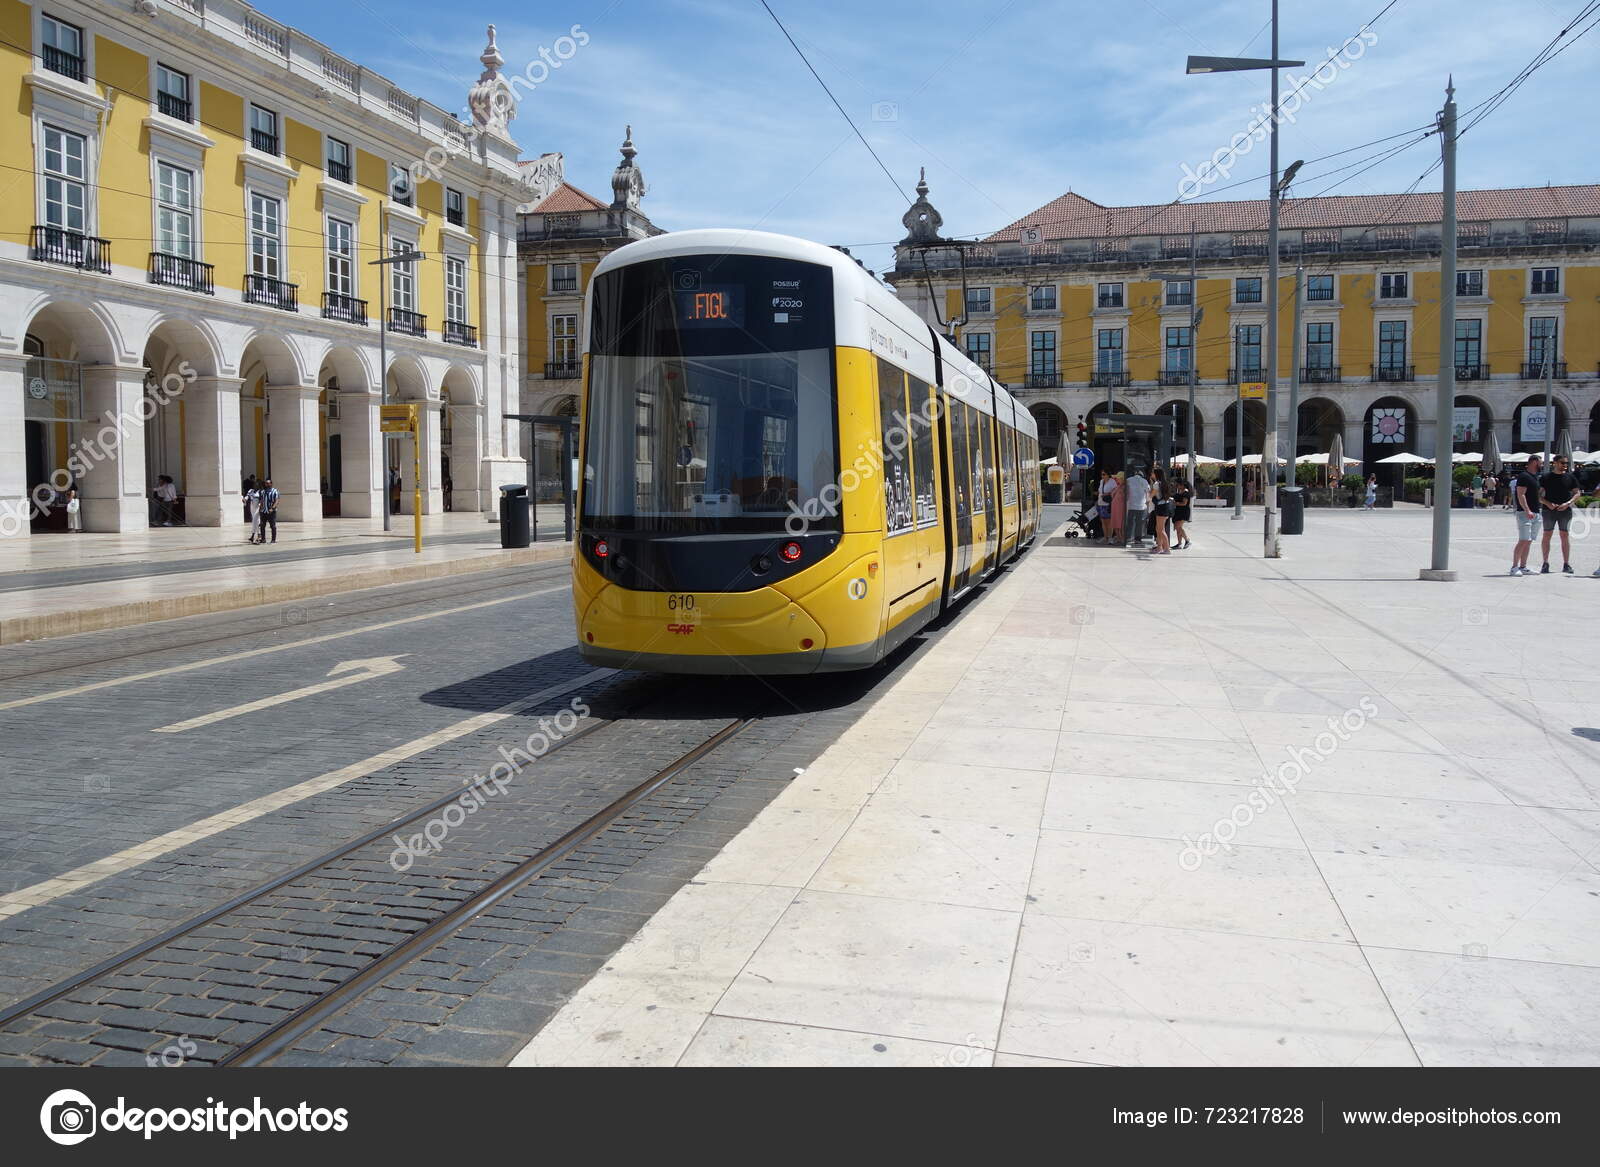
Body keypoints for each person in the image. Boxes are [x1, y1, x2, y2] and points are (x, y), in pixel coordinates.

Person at [1538, 454, 1580, 574]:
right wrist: (1548, 503)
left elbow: (1577, 493)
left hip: (1565, 510)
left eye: (1566, 463)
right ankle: (1545, 563)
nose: (1564, 465)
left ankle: (1566, 564)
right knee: (1547, 535)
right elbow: (1538, 495)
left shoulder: (1570, 477)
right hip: (1548, 510)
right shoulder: (1545, 477)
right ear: (1555, 463)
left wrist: (1568, 503)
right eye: (1562, 463)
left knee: (1564, 536)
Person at [1510, 455, 1542, 576]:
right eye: (1540, 462)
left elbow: (1536, 495)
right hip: (1525, 513)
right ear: (1534, 462)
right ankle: (1514, 567)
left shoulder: (1535, 477)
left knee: (1528, 541)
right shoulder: (1524, 476)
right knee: (1523, 540)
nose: (1542, 464)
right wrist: (1527, 510)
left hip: (1536, 513)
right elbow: (1521, 494)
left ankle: (1523, 567)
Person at [1124, 464, 1151, 548]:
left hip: (1131, 504)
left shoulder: (1128, 480)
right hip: (1141, 506)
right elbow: (1148, 492)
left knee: (1130, 522)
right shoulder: (1145, 481)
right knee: (1139, 523)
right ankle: (1137, 539)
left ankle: (1128, 537)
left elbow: (1126, 492)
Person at [1150, 467, 1172, 555]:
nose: (1151, 474)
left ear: (1156, 474)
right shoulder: (1163, 483)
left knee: (1160, 529)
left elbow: (1151, 495)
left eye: (1152, 473)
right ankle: (1160, 547)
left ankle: (1167, 548)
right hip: (1164, 506)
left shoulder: (1156, 484)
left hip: (1161, 507)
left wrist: (1148, 491)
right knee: (1158, 529)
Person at [1170, 474, 1194, 549]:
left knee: (1178, 527)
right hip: (1178, 511)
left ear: (1182, 485)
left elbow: (1184, 503)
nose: (1176, 486)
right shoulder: (1179, 491)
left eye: (1178, 484)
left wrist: (1175, 503)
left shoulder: (1185, 493)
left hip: (1183, 512)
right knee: (1177, 528)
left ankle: (1187, 540)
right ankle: (1179, 543)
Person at [256, 478, 280, 544]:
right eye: (266, 483)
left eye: (268, 483)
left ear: (271, 484)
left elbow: (277, 500)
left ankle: (273, 540)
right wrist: (260, 508)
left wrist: (272, 508)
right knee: (262, 525)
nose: (267, 484)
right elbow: (261, 500)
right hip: (263, 512)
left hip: (271, 512)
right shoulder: (263, 492)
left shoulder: (275, 491)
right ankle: (263, 539)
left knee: (273, 526)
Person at [1095, 470, 1114, 543]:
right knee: (1103, 521)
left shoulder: (1112, 482)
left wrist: (1107, 494)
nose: (1102, 476)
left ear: (1108, 475)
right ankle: (1105, 537)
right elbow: (1100, 491)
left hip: (1107, 504)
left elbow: (1115, 491)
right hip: (1100, 503)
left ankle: (1110, 537)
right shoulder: (1101, 481)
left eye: (1104, 474)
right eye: (1101, 474)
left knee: (1109, 521)